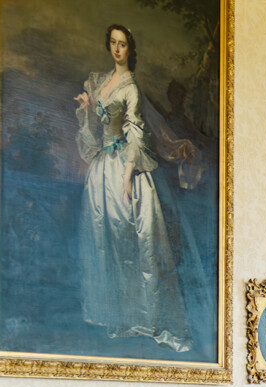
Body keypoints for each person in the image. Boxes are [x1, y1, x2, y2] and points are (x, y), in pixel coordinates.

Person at [74, 23, 194, 352]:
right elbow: (94, 131)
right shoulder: (98, 81)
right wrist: (86, 110)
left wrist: (128, 175)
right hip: (100, 172)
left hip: (124, 170)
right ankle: (116, 316)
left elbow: (135, 133)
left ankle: (144, 317)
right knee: (106, 241)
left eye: (122, 44)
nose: (116, 49)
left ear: (130, 49)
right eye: (112, 42)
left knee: (136, 245)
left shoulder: (130, 87)